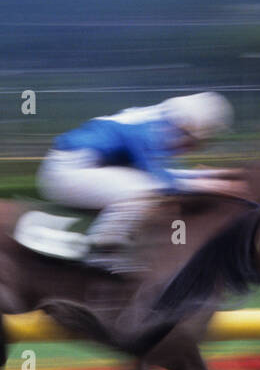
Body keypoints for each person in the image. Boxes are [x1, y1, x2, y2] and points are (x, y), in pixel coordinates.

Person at [36, 92, 242, 269]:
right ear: (187, 127)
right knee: (145, 191)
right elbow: (163, 182)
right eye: (196, 142)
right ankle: (102, 253)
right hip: (68, 172)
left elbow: (165, 174)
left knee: (145, 186)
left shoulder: (155, 121)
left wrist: (219, 175)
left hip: (75, 167)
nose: (192, 148)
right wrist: (217, 184)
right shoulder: (151, 130)